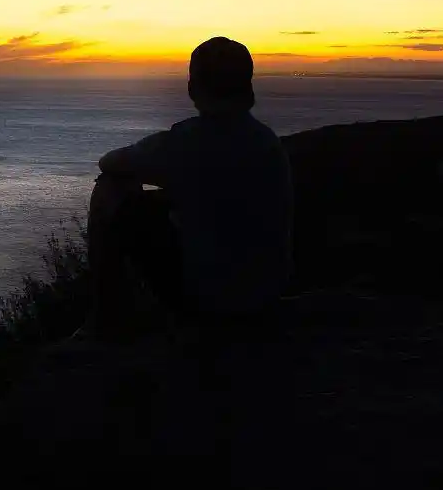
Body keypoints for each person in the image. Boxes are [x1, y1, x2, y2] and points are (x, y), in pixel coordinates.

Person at [79, 36, 294, 340]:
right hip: (264, 295)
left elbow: (110, 162)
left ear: (193, 89)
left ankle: (106, 317)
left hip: (204, 299)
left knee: (110, 187)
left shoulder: (182, 143)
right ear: (248, 88)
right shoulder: (267, 142)